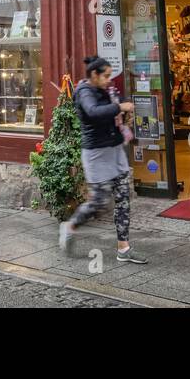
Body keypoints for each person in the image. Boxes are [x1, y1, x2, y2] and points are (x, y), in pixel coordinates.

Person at [59, 56, 147, 265]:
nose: (109, 79)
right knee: (99, 202)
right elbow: (93, 112)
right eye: (106, 75)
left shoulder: (106, 90)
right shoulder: (84, 92)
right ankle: (70, 226)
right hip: (96, 154)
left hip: (115, 150)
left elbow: (113, 111)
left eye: (110, 75)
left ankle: (123, 248)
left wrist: (123, 115)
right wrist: (120, 108)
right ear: (94, 75)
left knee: (123, 199)